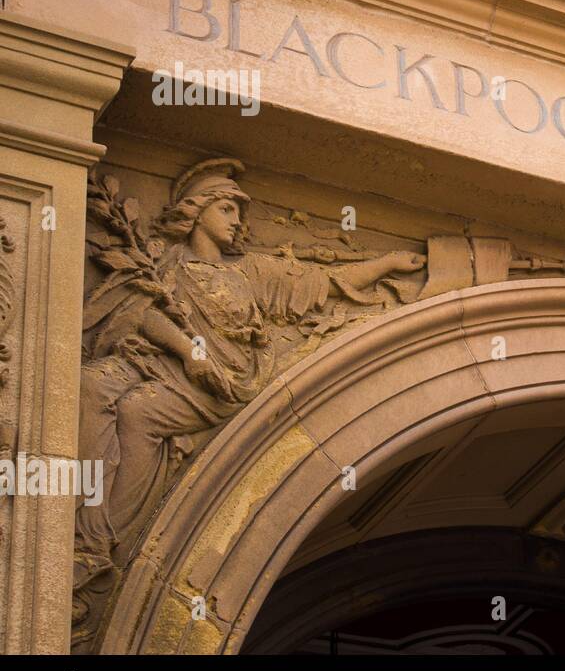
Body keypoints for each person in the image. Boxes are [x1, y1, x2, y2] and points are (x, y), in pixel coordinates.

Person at [73, 159, 423, 630]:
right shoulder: (162, 262)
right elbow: (141, 310)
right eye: (226, 208)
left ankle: (101, 541)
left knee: (138, 413)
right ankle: (80, 524)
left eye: (239, 212)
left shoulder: (250, 272)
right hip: (163, 361)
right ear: (195, 213)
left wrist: (388, 263)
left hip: (223, 384)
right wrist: (188, 350)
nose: (237, 221)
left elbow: (322, 285)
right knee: (89, 383)